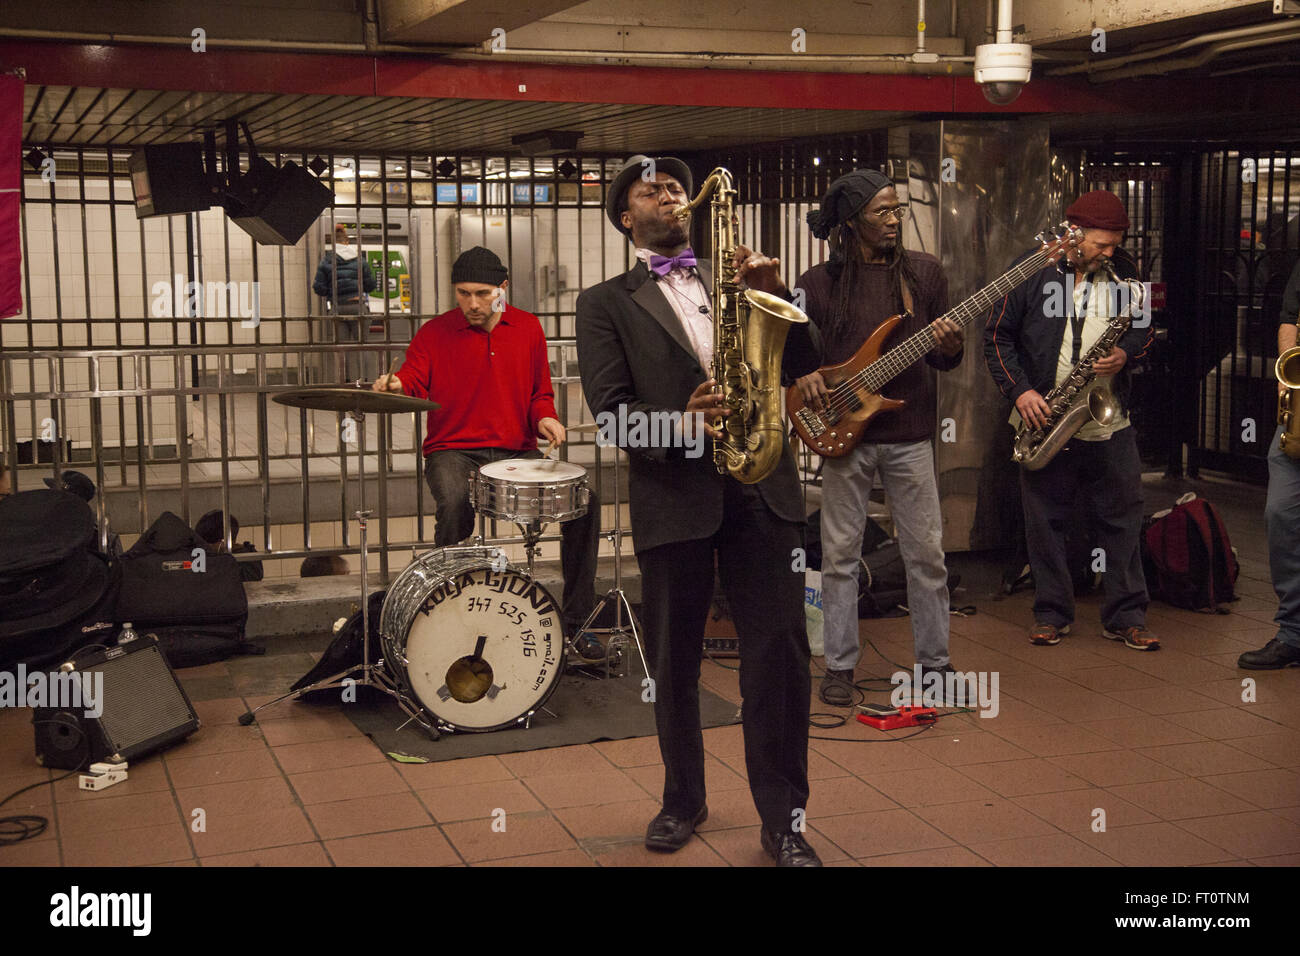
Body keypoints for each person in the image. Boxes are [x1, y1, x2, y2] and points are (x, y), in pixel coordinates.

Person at [576, 154, 823, 866]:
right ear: (627, 217)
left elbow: (804, 367)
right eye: (651, 190)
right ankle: (683, 797)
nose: (669, 195)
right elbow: (614, 417)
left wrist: (781, 298)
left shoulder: (739, 279)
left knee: (780, 659)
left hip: (763, 488)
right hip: (674, 498)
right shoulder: (605, 303)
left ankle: (785, 823)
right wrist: (681, 420)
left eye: (677, 187)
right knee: (674, 661)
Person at [374, 246, 601, 659]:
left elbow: (539, 394)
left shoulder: (529, 328)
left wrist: (546, 418)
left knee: (586, 503)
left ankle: (578, 624)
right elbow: (413, 380)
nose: (473, 304)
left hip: (515, 449)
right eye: (463, 294)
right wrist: (397, 386)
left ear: (504, 288)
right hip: (453, 450)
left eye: (482, 293)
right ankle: (444, 617)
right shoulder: (434, 332)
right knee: (457, 501)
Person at [792, 170, 964, 707]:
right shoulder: (817, 282)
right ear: (850, 222)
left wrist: (952, 343)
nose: (893, 220)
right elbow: (793, 354)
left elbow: (942, 357)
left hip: (909, 435)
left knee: (927, 555)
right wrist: (806, 374)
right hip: (845, 437)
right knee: (840, 556)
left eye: (898, 210)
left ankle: (934, 665)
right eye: (881, 212)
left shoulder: (924, 273)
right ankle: (840, 666)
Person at [984, 190, 1156, 650]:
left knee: (1122, 518)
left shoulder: (1125, 272)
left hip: (1106, 417)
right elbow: (997, 338)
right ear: (1073, 233)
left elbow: (1143, 329)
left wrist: (1127, 352)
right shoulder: (1031, 270)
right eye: (1101, 244)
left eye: (1116, 244)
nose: (1110, 252)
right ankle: (1051, 612)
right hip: (1046, 420)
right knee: (1045, 521)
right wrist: (1021, 392)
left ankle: (1126, 615)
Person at [1239, 261, 1300, 669]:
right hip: (1297, 420)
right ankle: (1293, 634)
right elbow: (1289, 318)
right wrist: (1290, 365)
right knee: (1281, 514)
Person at [313, 223, 377, 380]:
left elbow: (318, 288)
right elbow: (371, 286)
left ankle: (345, 380)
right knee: (362, 345)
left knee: (342, 347)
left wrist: (333, 292)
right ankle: (364, 380)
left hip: (338, 308)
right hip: (358, 306)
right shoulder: (360, 261)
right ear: (347, 242)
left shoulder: (327, 261)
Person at [196, 509, 265, 582]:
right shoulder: (246, 557)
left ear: (222, 543)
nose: (204, 549)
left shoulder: (246, 562)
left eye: (207, 545)